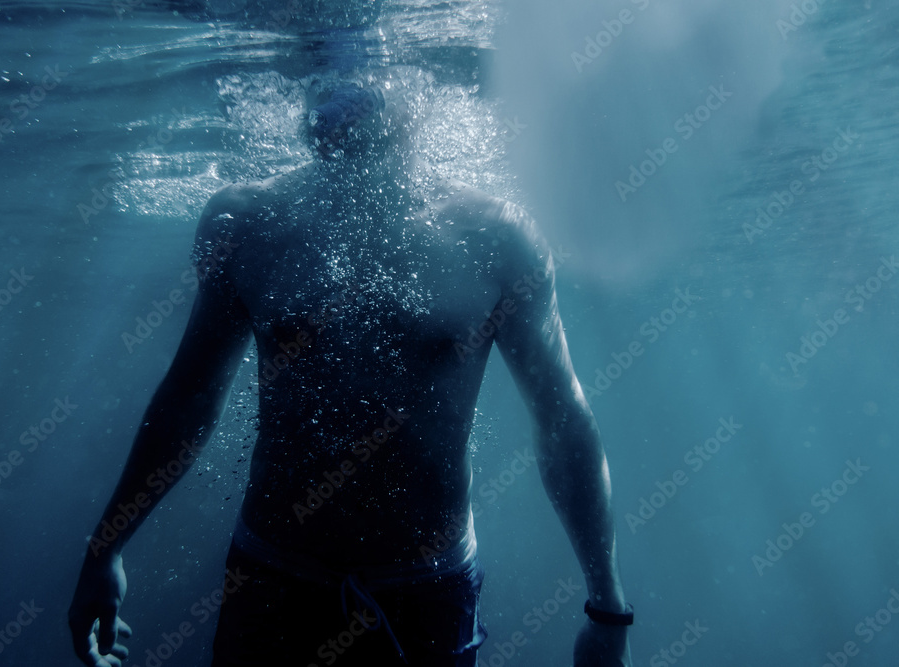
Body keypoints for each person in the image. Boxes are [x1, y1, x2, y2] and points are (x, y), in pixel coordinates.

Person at [68, 74, 633, 667]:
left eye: (365, 81)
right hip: (272, 581)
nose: (342, 102)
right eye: (323, 78)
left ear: (417, 96)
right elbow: (188, 396)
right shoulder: (245, 221)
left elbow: (562, 418)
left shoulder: (497, 236)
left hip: (426, 591)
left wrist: (608, 607)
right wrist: (104, 550)